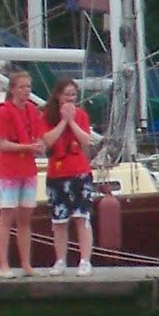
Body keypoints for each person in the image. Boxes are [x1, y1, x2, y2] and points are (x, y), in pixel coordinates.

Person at [40, 77, 98, 275]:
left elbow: (86, 139)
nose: (71, 99)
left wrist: (71, 121)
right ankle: (60, 260)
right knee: (59, 221)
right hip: (57, 173)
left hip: (79, 172)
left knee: (82, 217)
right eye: (67, 95)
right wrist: (63, 121)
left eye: (74, 95)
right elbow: (47, 140)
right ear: (58, 96)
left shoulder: (81, 115)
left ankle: (85, 260)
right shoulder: (47, 116)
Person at [0, 70, 46, 277]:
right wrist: (27, 148)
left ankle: (26, 264)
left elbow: (40, 136)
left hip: (28, 170)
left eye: (28, 87)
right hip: (9, 171)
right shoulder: (4, 111)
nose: (26, 91)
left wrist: (39, 145)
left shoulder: (32, 110)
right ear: (13, 89)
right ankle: (4, 265)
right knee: (7, 216)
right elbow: (3, 144)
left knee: (25, 217)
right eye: (22, 87)